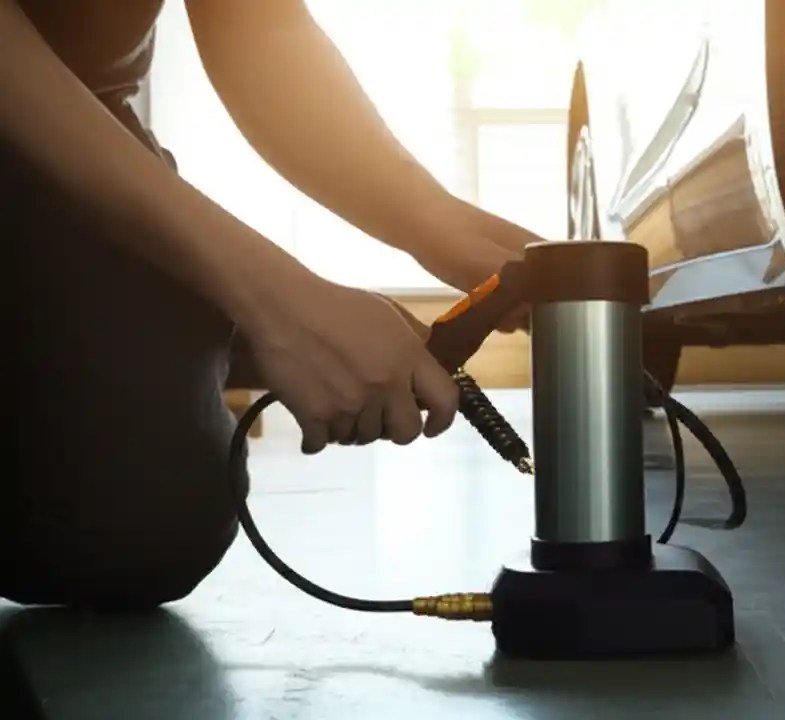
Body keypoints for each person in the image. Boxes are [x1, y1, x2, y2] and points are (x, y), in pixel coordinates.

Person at [0, 0, 541, 609]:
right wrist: (273, 297)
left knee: (141, 525)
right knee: (107, 520)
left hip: (89, 117)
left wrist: (433, 219)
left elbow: (257, 22)